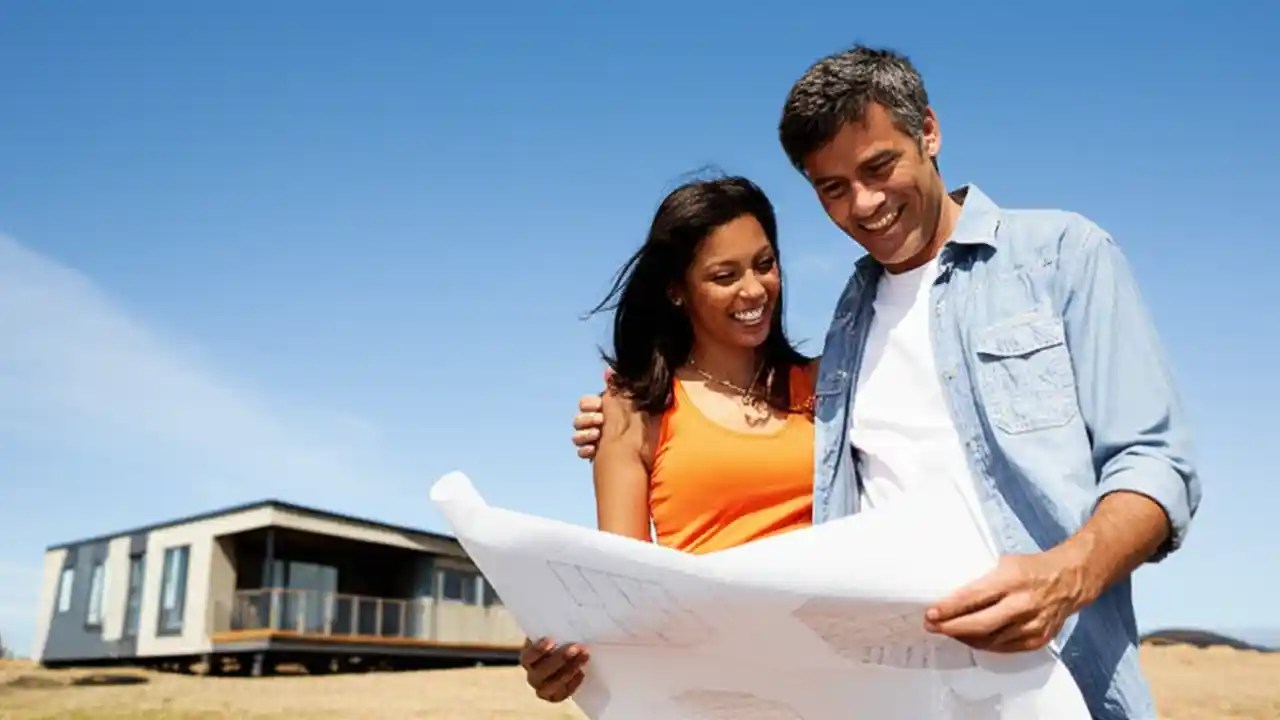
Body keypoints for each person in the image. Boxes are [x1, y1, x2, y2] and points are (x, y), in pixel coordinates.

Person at [568, 45, 1200, 719]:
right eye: (832, 189)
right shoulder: (849, 325)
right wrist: (629, 421)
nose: (864, 205)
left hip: (1064, 683)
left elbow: (1157, 465)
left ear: (928, 131)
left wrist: (1066, 576)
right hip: (884, 698)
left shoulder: (1062, 256)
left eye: (879, 167)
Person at [521, 174, 821, 703]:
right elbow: (624, 594)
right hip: (718, 688)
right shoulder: (631, 413)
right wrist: (559, 656)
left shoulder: (828, 386)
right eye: (724, 275)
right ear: (676, 291)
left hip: (842, 679)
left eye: (765, 264)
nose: (753, 289)